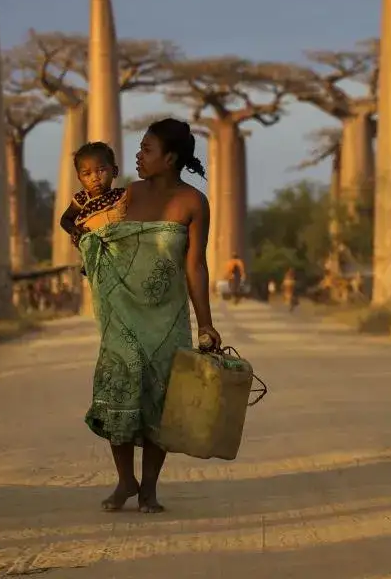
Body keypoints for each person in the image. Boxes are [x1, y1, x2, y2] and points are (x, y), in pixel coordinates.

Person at [77, 118, 222, 514]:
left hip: (167, 316)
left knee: (160, 397)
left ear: (170, 157)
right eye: (139, 149)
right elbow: (92, 234)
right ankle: (125, 479)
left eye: (147, 150)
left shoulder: (194, 203)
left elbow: (196, 267)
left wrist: (205, 323)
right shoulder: (123, 197)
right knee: (118, 390)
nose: (138, 157)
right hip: (121, 313)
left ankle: (149, 489)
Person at [59, 142, 127, 277]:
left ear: (114, 171)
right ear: (79, 178)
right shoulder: (82, 199)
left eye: (101, 170)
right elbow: (65, 219)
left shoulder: (122, 196)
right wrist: (75, 231)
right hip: (96, 260)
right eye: (87, 174)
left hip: (123, 257)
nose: (95, 178)